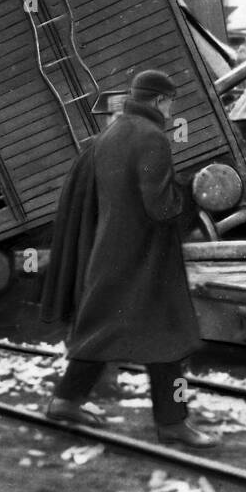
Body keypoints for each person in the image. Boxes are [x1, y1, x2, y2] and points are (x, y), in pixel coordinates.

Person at [40, 68, 215, 447]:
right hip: (147, 259)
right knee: (172, 339)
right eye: (170, 101)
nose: (171, 109)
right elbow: (161, 207)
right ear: (159, 100)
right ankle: (173, 423)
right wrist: (187, 193)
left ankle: (65, 401)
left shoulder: (111, 134)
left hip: (110, 254)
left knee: (102, 331)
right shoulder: (153, 138)